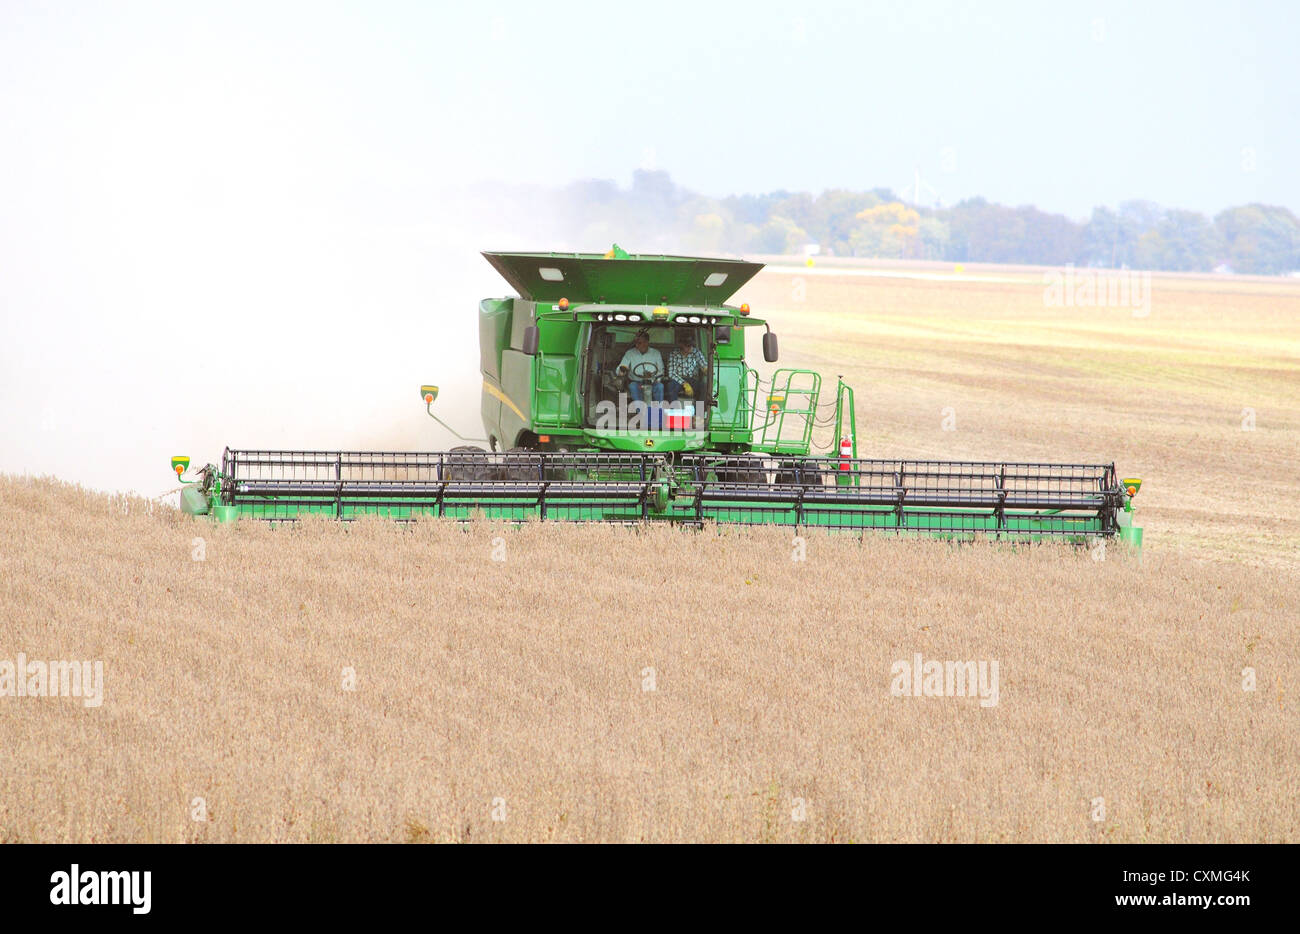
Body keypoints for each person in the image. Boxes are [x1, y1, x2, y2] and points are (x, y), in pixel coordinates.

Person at [617, 329, 664, 403]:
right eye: (636, 343)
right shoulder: (630, 353)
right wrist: (622, 370)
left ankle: (657, 411)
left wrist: (653, 376)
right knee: (632, 386)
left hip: (652, 382)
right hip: (636, 382)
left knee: (660, 386)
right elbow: (622, 367)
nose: (637, 345)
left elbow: (661, 370)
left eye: (640, 343)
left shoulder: (656, 353)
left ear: (646, 342)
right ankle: (641, 410)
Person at [665, 332, 708, 402]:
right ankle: (674, 410)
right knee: (670, 386)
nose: (690, 348)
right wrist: (684, 383)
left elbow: (704, 364)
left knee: (704, 386)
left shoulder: (696, 352)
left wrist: (706, 369)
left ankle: (700, 411)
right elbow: (671, 374)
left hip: (692, 379)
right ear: (681, 345)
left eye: (691, 345)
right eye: (687, 346)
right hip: (678, 380)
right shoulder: (673, 354)